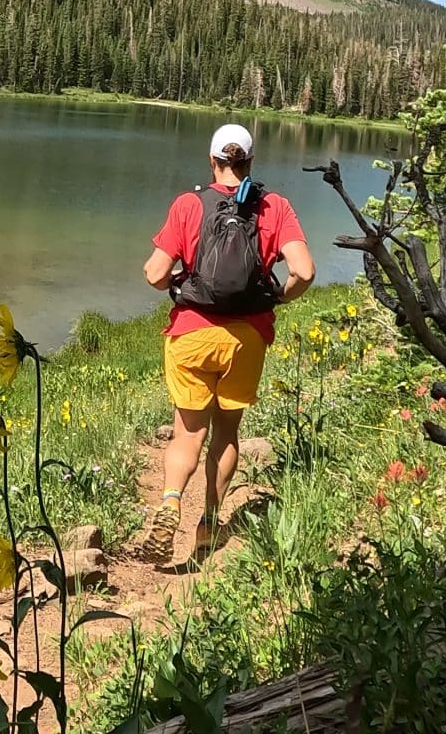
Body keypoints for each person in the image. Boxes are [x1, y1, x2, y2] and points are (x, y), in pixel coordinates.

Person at [132, 123, 313, 564]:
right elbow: (304, 272)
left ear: (212, 161)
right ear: (250, 162)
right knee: (227, 431)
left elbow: (156, 274)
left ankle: (172, 500)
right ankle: (210, 523)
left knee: (187, 431)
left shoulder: (189, 204)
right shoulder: (275, 207)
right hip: (246, 339)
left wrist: (177, 282)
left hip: (192, 333)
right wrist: (274, 298)